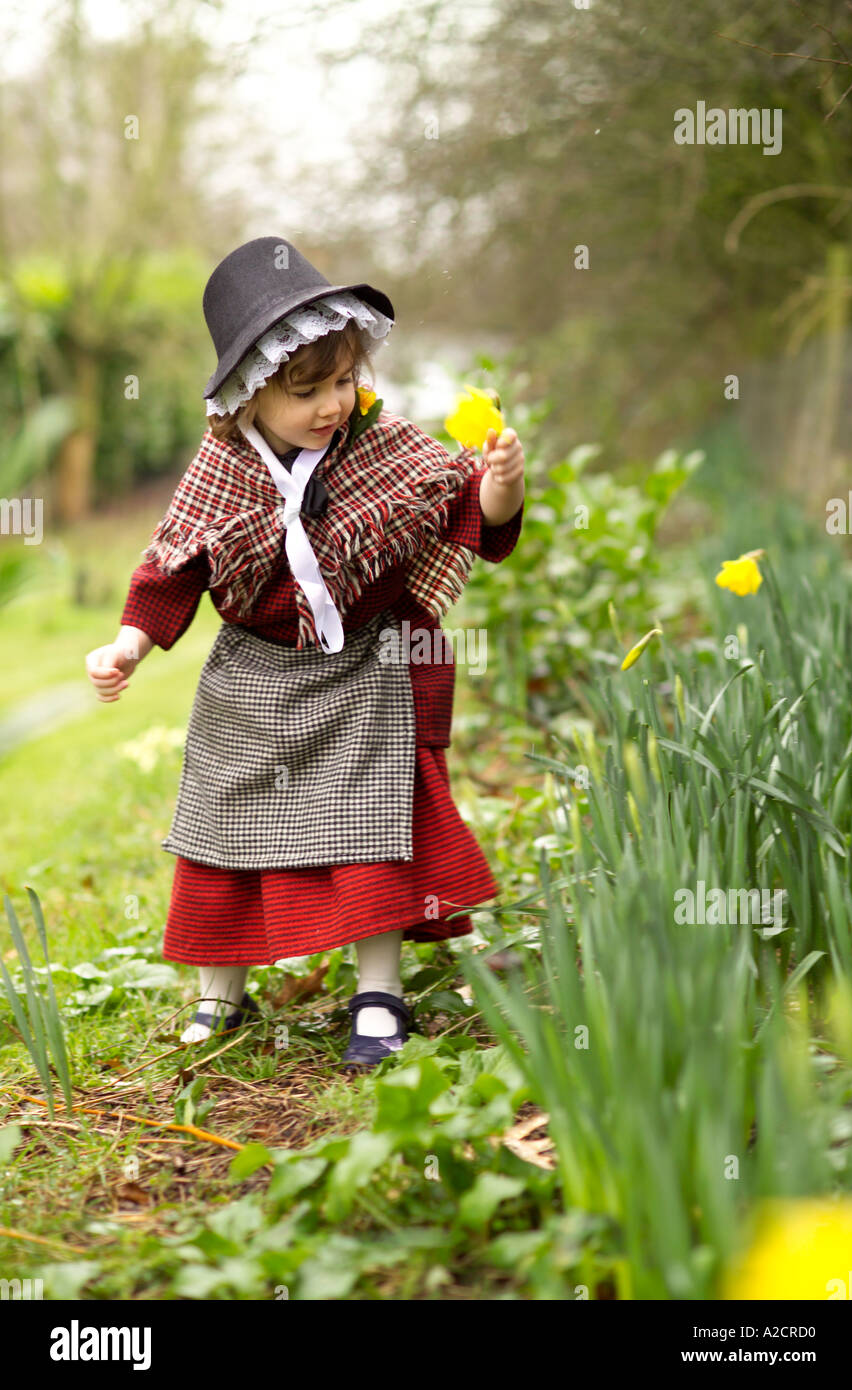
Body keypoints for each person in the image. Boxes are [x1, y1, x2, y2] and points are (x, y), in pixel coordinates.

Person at [85, 236, 524, 1069]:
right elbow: (171, 565)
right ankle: (221, 993)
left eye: (344, 380)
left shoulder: (381, 444)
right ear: (249, 395)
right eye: (307, 390)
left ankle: (379, 996)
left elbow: (468, 507)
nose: (333, 403)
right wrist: (128, 644)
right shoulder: (221, 469)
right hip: (255, 676)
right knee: (225, 823)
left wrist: (503, 480)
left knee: (372, 829)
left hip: (366, 667)